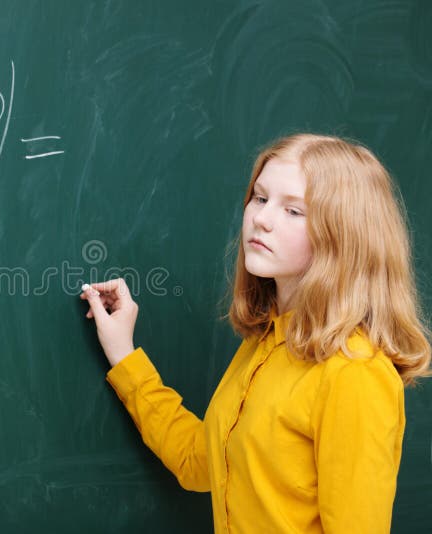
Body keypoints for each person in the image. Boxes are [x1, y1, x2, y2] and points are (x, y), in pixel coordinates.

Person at [80, 133, 431, 533]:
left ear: (343, 235)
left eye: (294, 211)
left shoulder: (355, 372)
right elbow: (200, 462)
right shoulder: (264, 344)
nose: (261, 218)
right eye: (260, 198)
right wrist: (124, 355)